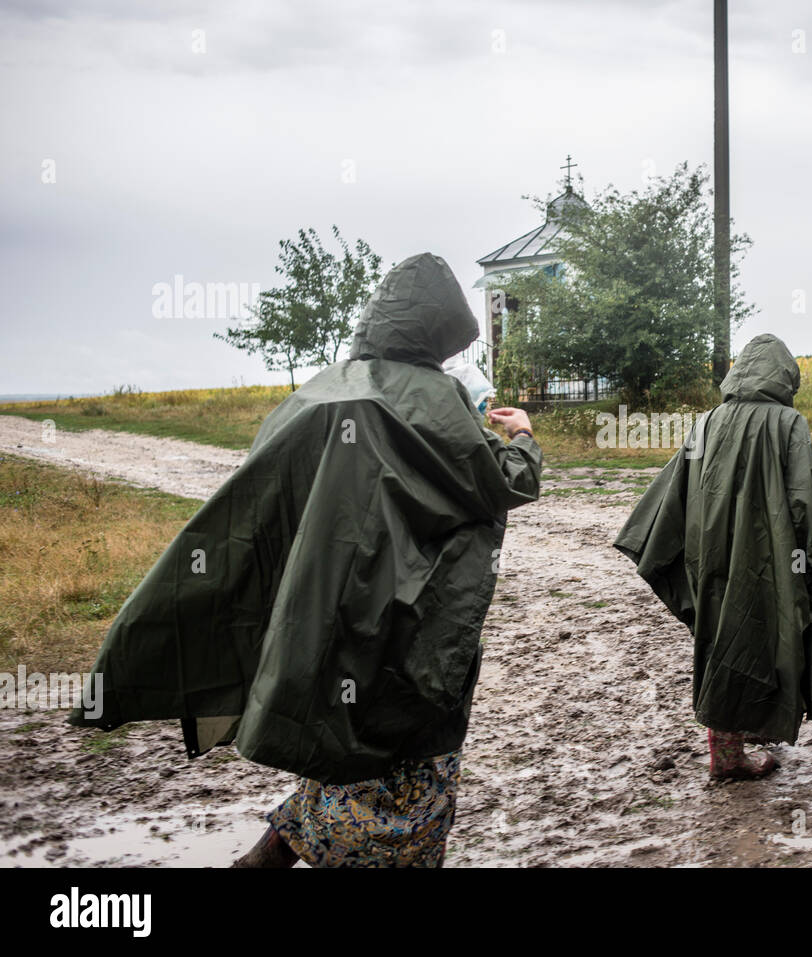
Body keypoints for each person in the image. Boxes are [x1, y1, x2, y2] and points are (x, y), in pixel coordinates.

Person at [69, 253, 542, 866]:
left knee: (338, 723)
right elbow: (504, 484)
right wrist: (524, 436)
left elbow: (259, 506)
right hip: (408, 618)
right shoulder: (438, 400)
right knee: (409, 743)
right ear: (442, 330)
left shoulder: (318, 394)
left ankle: (268, 856)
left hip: (316, 617)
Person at [614, 334, 812, 779]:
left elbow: (677, 490)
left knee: (721, 639)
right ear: (785, 376)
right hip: (772, 556)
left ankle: (736, 738)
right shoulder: (790, 424)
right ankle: (730, 756)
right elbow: (802, 500)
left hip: (709, 553)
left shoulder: (707, 422)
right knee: (771, 636)